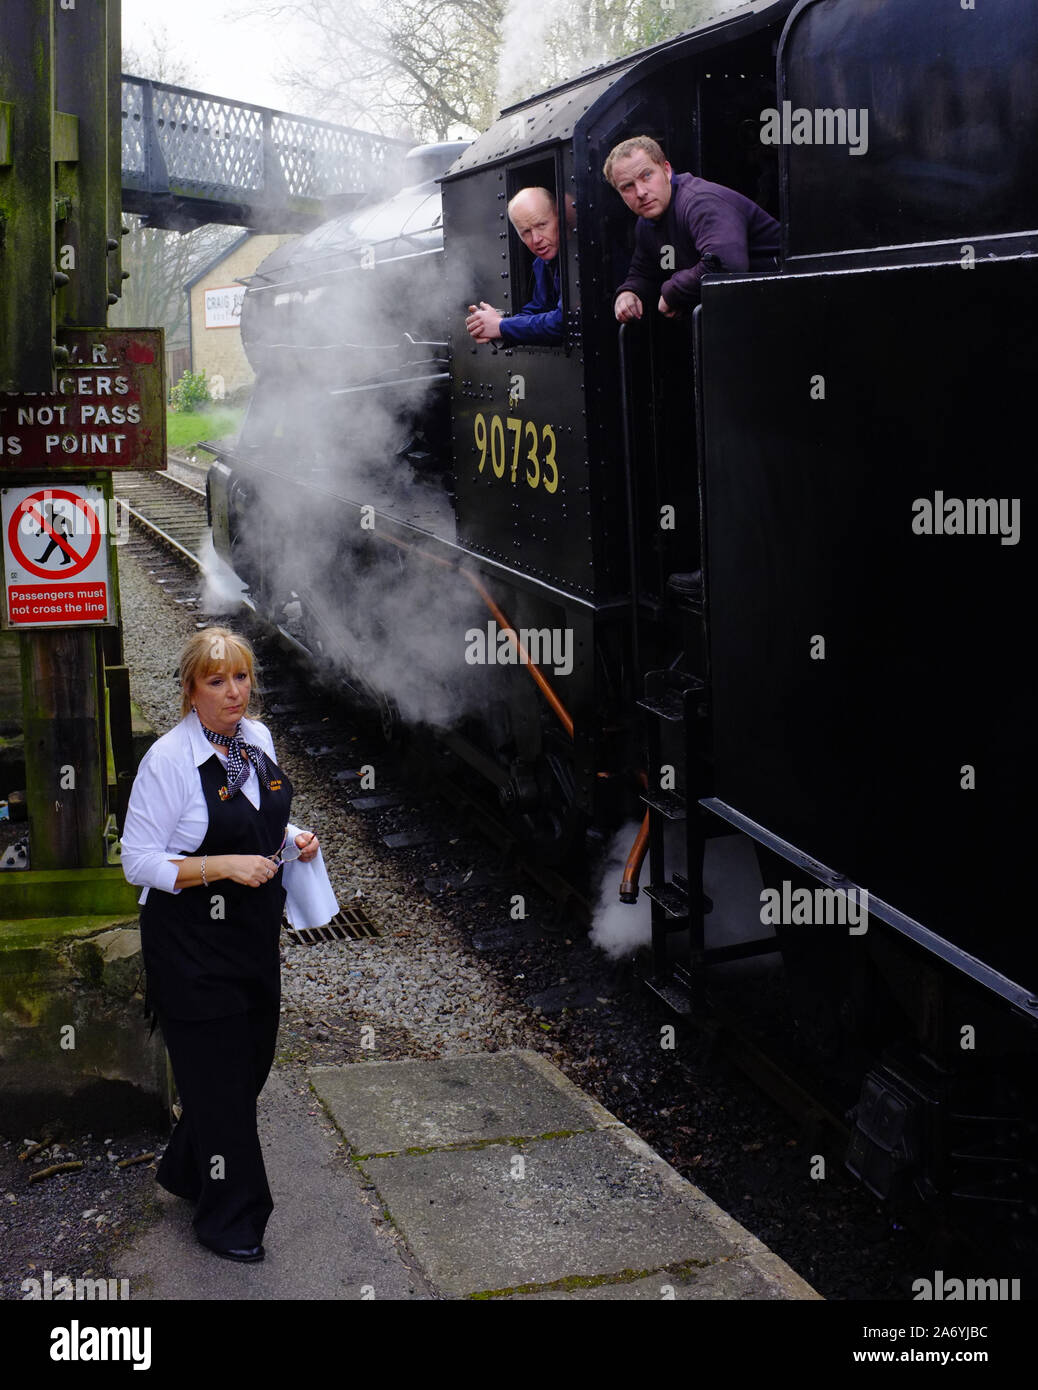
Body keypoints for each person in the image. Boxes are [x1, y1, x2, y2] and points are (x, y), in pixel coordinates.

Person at [121, 627, 335, 1263]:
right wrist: (222, 867)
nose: (233, 692)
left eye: (240, 677)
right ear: (191, 690)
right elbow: (137, 861)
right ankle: (231, 1218)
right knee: (221, 1088)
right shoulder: (167, 761)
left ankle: (187, 1169)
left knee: (248, 1068)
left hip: (250, 938)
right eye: (216, 681)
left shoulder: (257, 740)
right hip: (190, 947)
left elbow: (258, 822)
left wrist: (294, 838)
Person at [604, 135, 780, 322]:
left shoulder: (700, 202)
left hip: (778, 304)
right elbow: (647, 272)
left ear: (666, 170)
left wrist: (673, 292)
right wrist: (629, 293)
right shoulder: (648, 223)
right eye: (628, 186)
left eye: (647, 175)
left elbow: (727, 265)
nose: (640, 192)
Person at [465, 186, 565, 346]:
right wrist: (490, 325)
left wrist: (501, 327)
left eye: (541, 225)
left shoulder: (575, 256)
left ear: (560, 216)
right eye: (526, 232)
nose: (536, 239)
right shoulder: (541, 263)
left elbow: (564, 321)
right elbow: (539, 308)